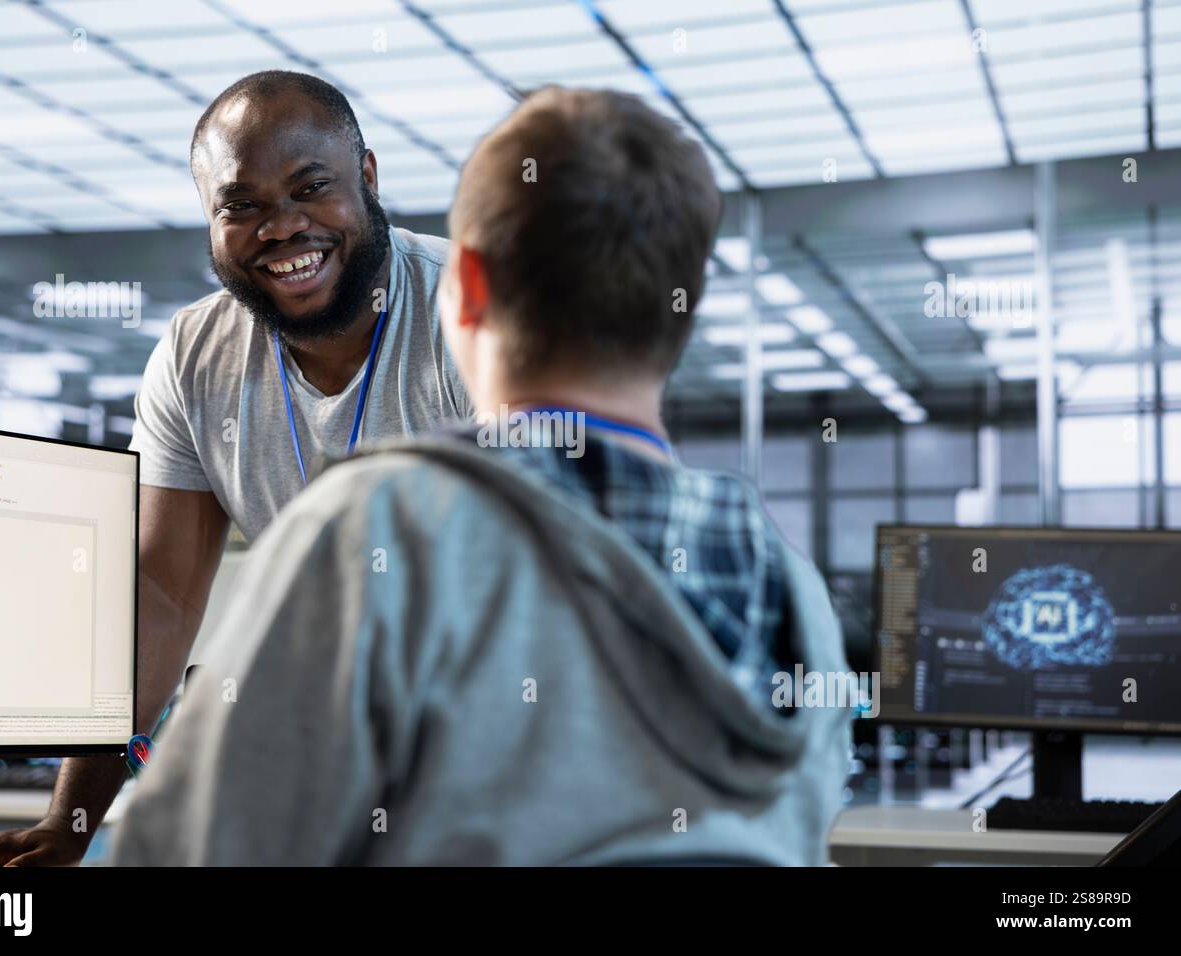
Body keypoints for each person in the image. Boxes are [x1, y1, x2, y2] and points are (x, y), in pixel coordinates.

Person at [111, 87, 853, 866]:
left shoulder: (378, 527)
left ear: (460, 294)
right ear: (682, 313)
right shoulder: (791, 588)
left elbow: (183, 849)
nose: (285, 221)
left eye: (310, 187)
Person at [0, 70, 470, 867]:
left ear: (368, 177)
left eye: (309, 187)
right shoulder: (194, 356)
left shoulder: (476, 320)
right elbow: (161, 597)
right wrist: (70, 826)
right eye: (239, 205)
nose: (280, 228)